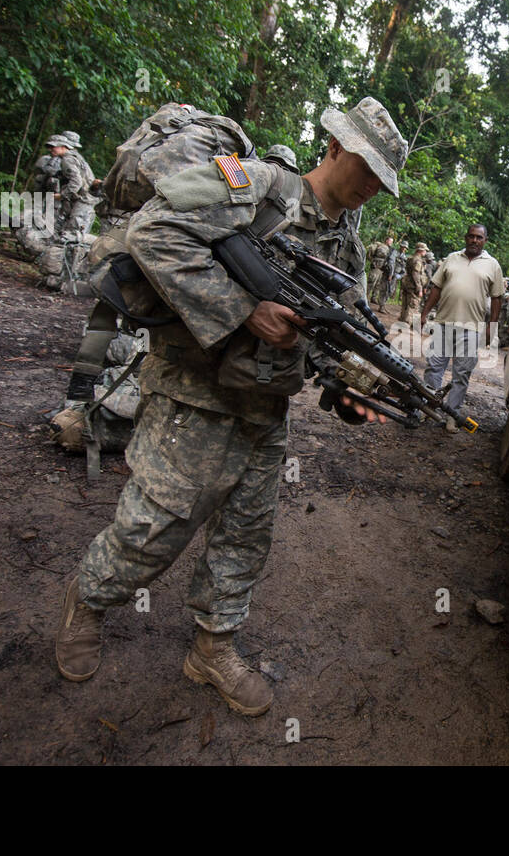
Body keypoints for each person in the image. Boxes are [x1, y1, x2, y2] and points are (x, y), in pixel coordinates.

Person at [54, 96, 407, 717]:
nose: (374, 186)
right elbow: (154, 232)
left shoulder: (345, 243)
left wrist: (347, 381)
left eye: (384, 179)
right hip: (195, 395)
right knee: (154, 525)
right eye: (368, 168)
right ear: (334, 147)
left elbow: (326, 333)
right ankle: (88, 601)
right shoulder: (255, 185)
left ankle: (213, 647)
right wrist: (244, 309)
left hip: (266, 408)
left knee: (246, 534)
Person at [419, 224, 504, 431]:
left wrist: (491, 327)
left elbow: (497, 298)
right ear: (466, 238)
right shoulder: (452, 258)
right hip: (443, 323)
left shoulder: (493, 265)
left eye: (479, 237)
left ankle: (452, 415)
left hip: (471, 328)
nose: (474, 240)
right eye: (471, 236)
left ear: (485, 240)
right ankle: (428, 409)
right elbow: (436, 287)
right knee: (433, 368)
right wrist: (424, 313)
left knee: (461, 374)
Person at [397, 242, 429, 324]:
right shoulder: (418, 261)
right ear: (421, 250)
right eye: (425, 250)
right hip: (413, 285)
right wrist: (419, 288)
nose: (425, 252)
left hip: (407, 283)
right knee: (412, 305)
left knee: (405, 304)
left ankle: (402, 320)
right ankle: (406, 323)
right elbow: (416, 274)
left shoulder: (411, 258)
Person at [367, 235, 394, 310]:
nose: (391, 243)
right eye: (390, 241)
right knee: (371, 282)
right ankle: (366, 298)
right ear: (386, 240)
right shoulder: (382, 247)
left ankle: (374, 297)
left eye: (392, 242)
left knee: (378, 285)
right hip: (376, 267)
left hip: (382, 268)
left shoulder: (389, 249)